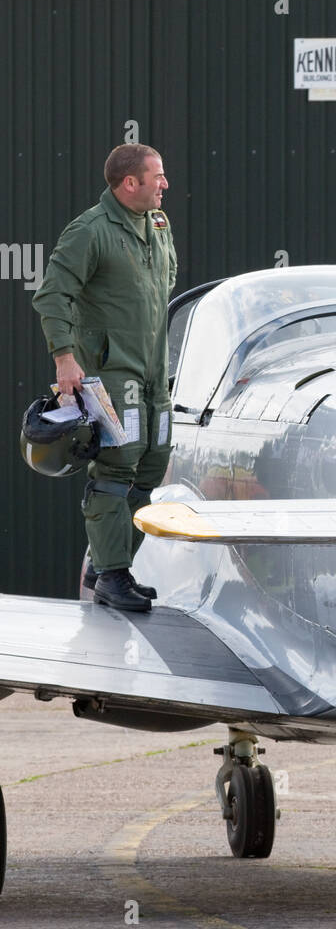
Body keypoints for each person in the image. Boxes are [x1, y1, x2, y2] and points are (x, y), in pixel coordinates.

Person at [32, 144, 176, 613]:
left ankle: (107, 564)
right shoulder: (89, 231)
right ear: (128, 183)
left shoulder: (157, 224)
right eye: (156, 176)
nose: (165, 183)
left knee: (152, 467)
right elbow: (53, 295)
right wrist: (65, 358)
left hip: (155, 372)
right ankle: (113, 576)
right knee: (117, 467)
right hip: (113, 375)